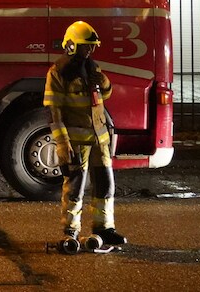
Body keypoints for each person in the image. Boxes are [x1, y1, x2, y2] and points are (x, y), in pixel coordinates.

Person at [45, 20, 127, 253]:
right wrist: (62, 143)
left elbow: (106, 94)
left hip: (99, 140)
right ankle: (71, 230)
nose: (90, 51)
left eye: (92, 47)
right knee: (75, 186)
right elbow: (54, 111)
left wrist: (104, 83)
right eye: (85, 46)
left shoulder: (93, 68)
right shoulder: (58, 72)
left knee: (105, 184)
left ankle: (104, 229)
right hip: (76, 141)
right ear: (71, 45)